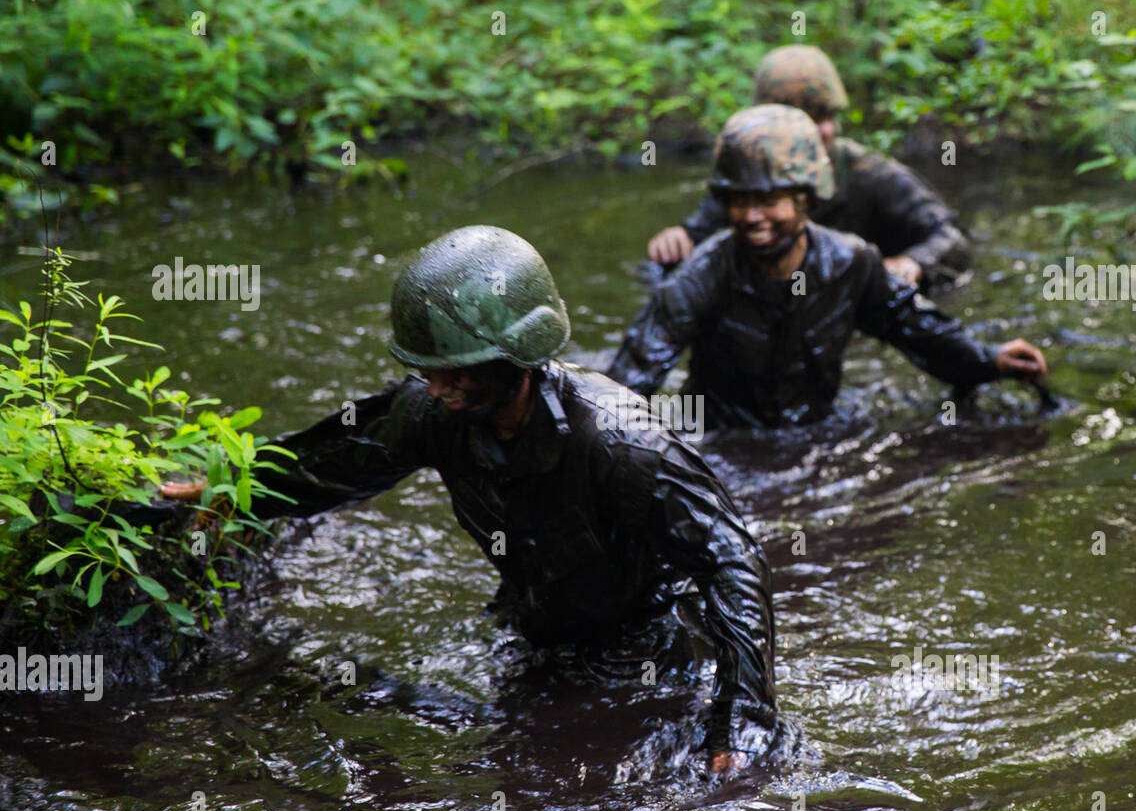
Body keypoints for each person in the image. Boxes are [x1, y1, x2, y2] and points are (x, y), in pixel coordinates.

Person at [161, 226, 778, 774]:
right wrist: (232, 488)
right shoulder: (434, 411)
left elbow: (731, 558)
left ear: (517, 358)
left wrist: (744, 718)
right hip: (534, 633)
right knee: (514, 775)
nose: (438, 388)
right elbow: (334, 465)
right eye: (429, 370)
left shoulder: (621, 441)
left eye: (458, 372)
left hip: (649, 652)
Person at [610, 105, 1047, 429]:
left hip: (817, 433)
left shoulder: (852, 263)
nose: (751, 217)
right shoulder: (699, 277)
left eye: (768, 201)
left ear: (805, 201)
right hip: (723, 443)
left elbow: (920, 333)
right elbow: (626, 389)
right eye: (739, 202)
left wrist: (990, 361)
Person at [648, 44, 971, 293]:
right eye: (802, 119)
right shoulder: (746, 178)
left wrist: (913, 262)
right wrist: (679, 239)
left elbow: (950, 237)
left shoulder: (873, 177)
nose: (819, 130)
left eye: (825, 116)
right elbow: (702, 233)